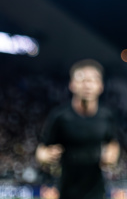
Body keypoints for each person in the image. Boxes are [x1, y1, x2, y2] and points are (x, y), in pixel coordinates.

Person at [36, 59, 120, 199]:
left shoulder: (107, 117)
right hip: (66, 192)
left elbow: (112, 142)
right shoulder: (60, 117)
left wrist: (112, 155)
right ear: (72, 85)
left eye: (93, 80)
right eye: (82, 80)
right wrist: (45, 156)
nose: (87, 85)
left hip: (96, 192)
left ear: (100, 86)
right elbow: (41, 149)